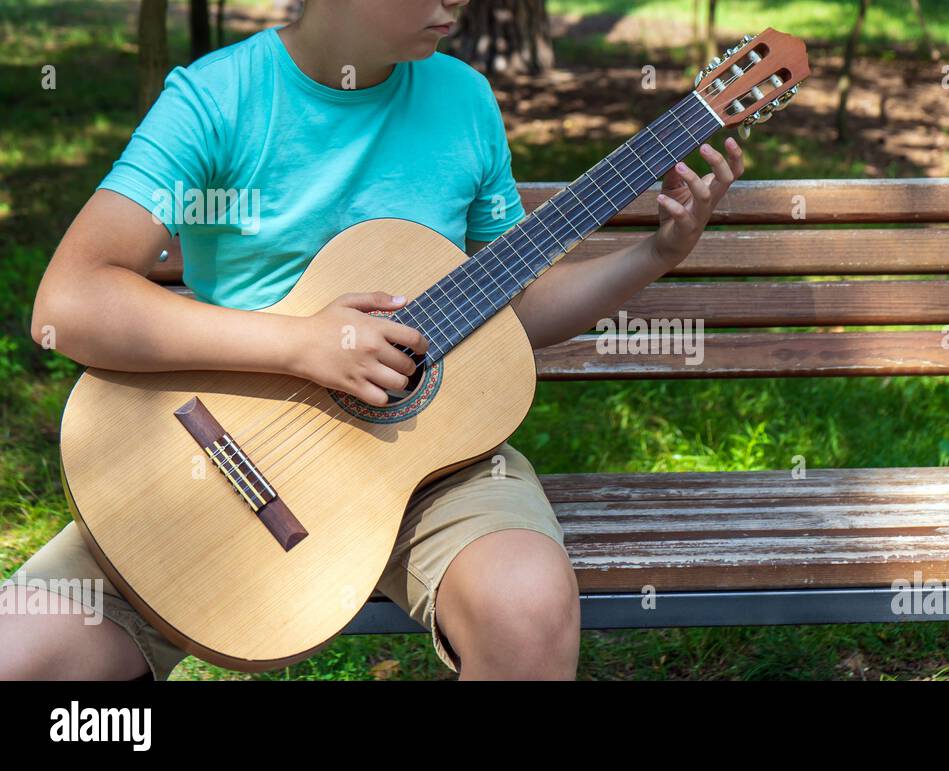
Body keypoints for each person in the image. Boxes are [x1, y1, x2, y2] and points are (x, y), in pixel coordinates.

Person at [0, 0, 744, 681]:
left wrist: (655, 254)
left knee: (528, 606)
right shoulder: (216, 98)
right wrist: (301, 345)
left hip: (431, 464)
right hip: (221, 448)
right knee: (19, 654)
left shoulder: (463, 100)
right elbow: (69, 301)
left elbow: (509, 307)